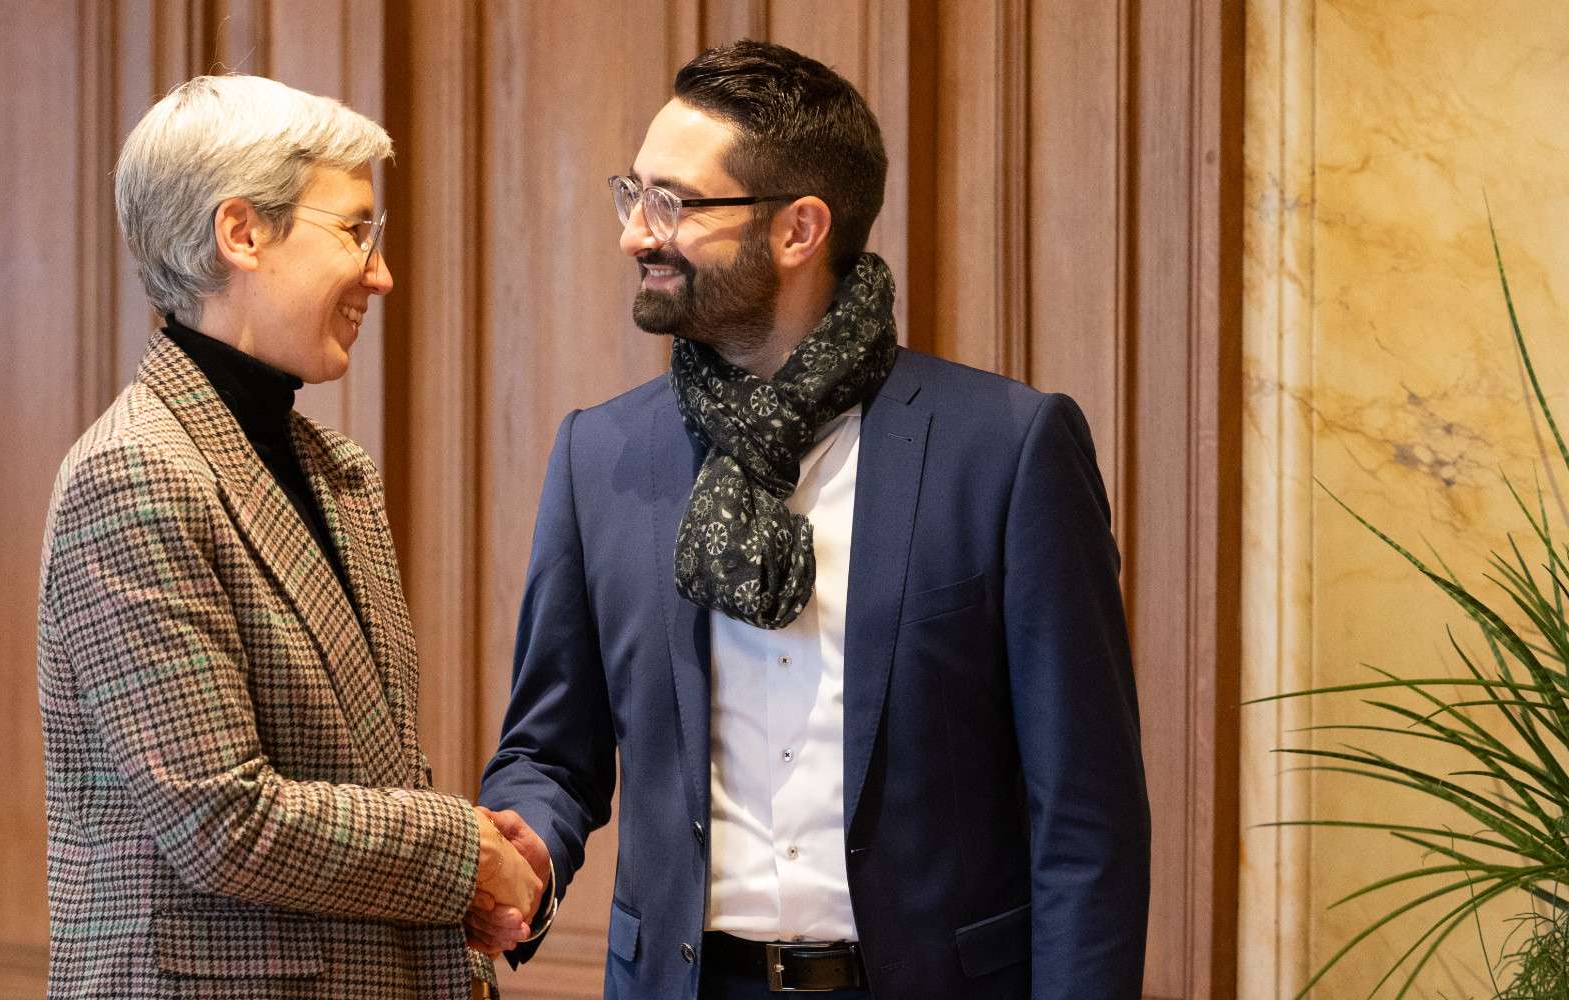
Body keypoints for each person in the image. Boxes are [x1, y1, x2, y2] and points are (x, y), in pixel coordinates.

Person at [472, 40, 1151, 999]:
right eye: (633, 194)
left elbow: (1085, 815)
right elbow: (552, 751)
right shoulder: (599, 457)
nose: (635, 233)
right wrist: (528, 843)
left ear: (799, 229)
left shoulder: (1007, 450)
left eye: (675, 202)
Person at [36, 74, 540, 1000]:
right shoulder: (135, 473)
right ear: (242, 234)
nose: (380, 272)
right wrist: (458, 848)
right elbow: (219, 820)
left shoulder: (333, 469)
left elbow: (368, 773)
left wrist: (463, 883)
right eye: (355, 230)